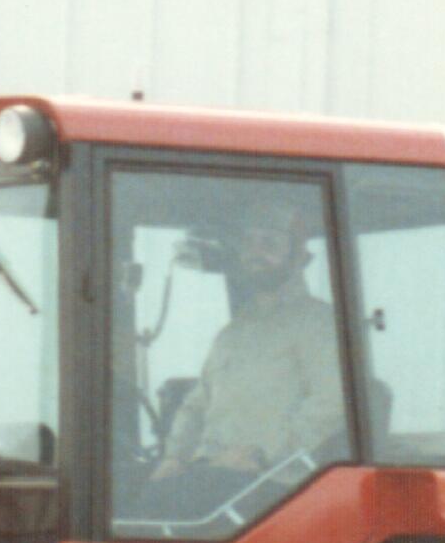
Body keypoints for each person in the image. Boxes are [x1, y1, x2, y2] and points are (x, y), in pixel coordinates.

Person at [143, 193, 348, 520]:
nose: (256, 252)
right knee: (119, 494)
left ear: (297, 256)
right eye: (249, 243)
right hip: (213, 473)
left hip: (271, 485)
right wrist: (174, 457)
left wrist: (264, 455)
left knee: (142, 513)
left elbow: (331, 403)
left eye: (270, 243)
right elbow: (196, 403)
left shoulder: (319, 324)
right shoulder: (233, 333)